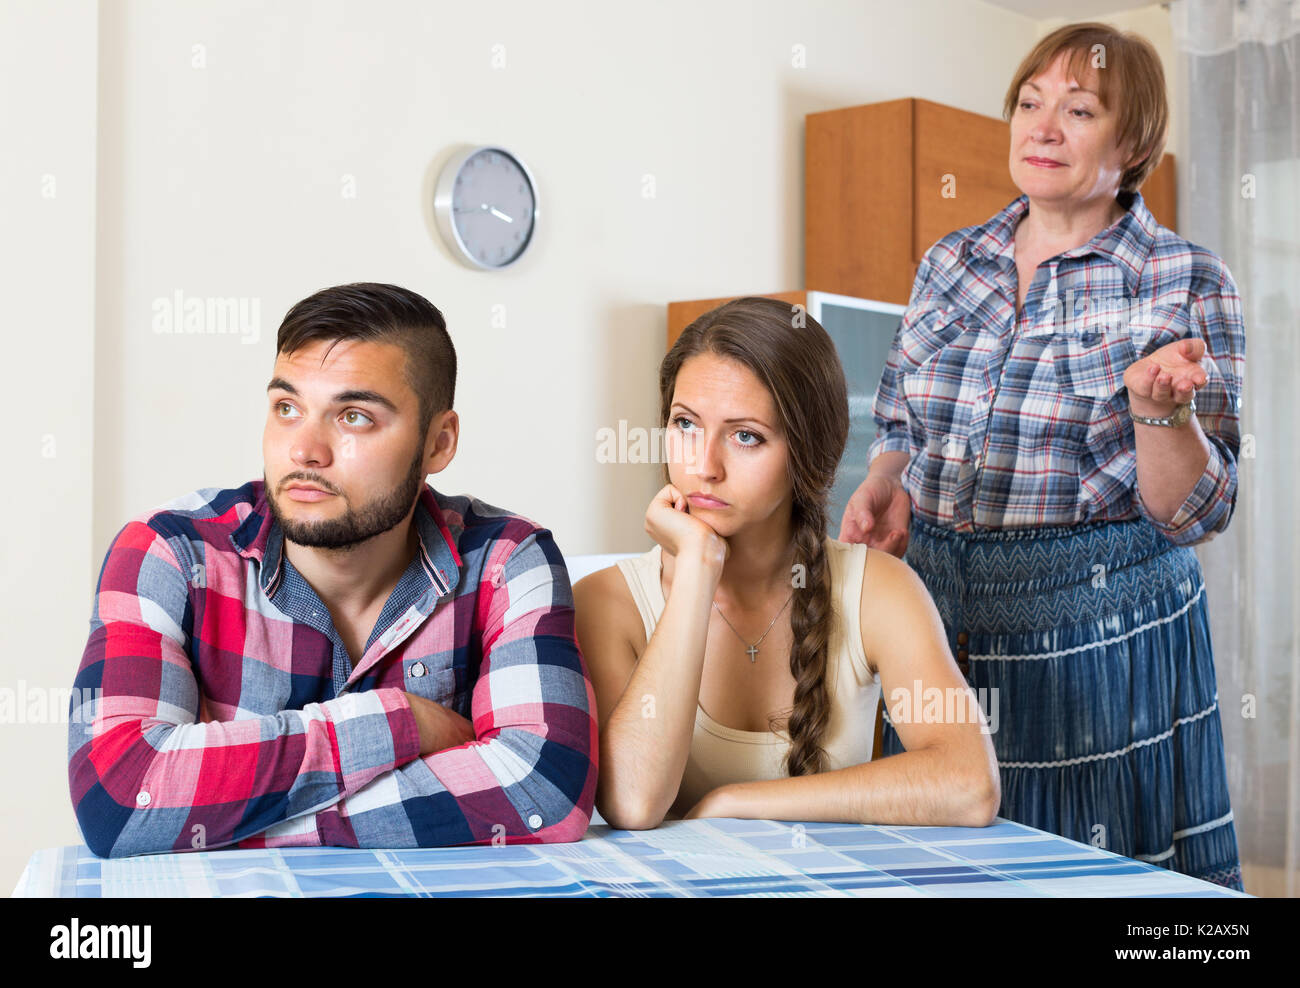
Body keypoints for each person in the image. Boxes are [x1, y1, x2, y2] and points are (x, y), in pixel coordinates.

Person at [839, 23, 1245, 890]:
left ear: (1132, 143)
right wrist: (886, 484)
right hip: (940, 618)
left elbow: (1197, 511)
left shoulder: (1184, 278)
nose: (1043, 126)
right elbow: (901, 423)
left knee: (1078, 881)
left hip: (1101, 635)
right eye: (1029, 103)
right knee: (936, 861)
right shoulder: (952, 260)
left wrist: (1157, 414)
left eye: (1079, 108)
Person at [67, 283, 596, 857]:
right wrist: (398, 721)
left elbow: (545, 790)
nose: (305, 451)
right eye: (287, 409)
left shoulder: (505, 562)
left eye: (353, 416)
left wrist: (231, 821)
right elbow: (120, 800)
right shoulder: (170, 554)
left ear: (438, 443)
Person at [574, 296, 999, 830]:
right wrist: (697, 571)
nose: (703, 466)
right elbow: (632, 804)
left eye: (745, 436)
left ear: (805, 450)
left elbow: (969, 784)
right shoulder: (603, 603)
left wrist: (737, 801)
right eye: (685, 424)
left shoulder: (881, 590)